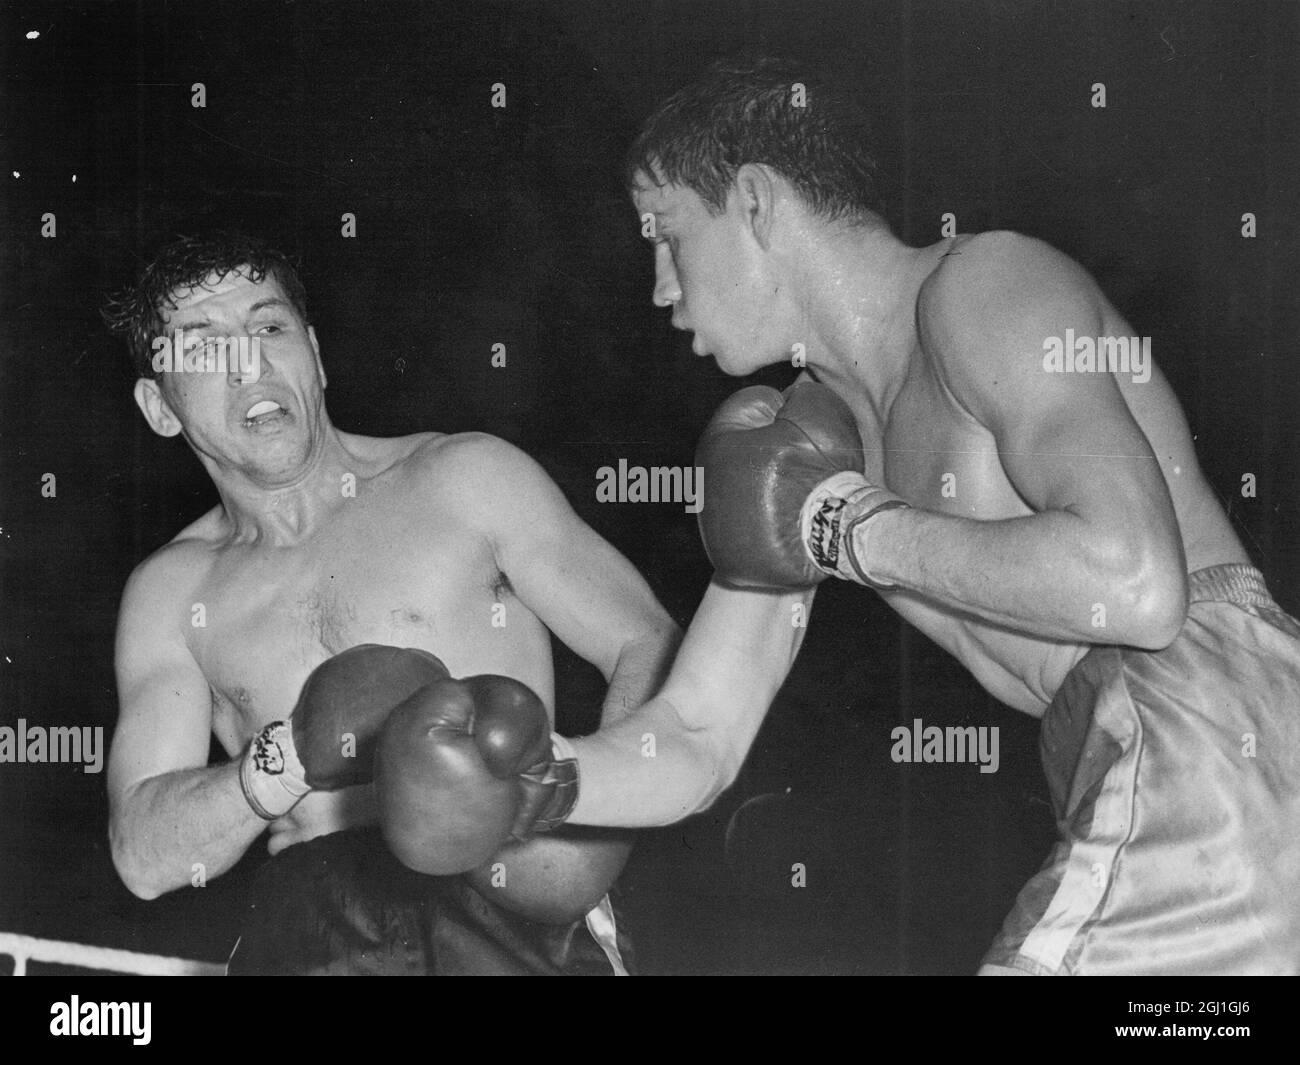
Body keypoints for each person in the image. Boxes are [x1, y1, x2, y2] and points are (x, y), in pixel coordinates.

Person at [582, 57, 1300, 975]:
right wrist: (546, 774)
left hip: (1210, 725)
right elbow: (697, 737)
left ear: (756, 203)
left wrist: (854, 530)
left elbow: (1136, 583)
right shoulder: (806, 439)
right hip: (1155, 765)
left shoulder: (985, 288)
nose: (659, 287)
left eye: (667, 237)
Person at [101, 232, 810, 974]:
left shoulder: (464, 478)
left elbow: (646, 642)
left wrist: (582, 821)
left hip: (507, 905)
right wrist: (281, 762)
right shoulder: (171, 591)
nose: (249, 362)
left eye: (268, 326)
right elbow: (144, 856)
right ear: (160, 406)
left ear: (314, 354)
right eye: (204, 347)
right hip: (310, 929)